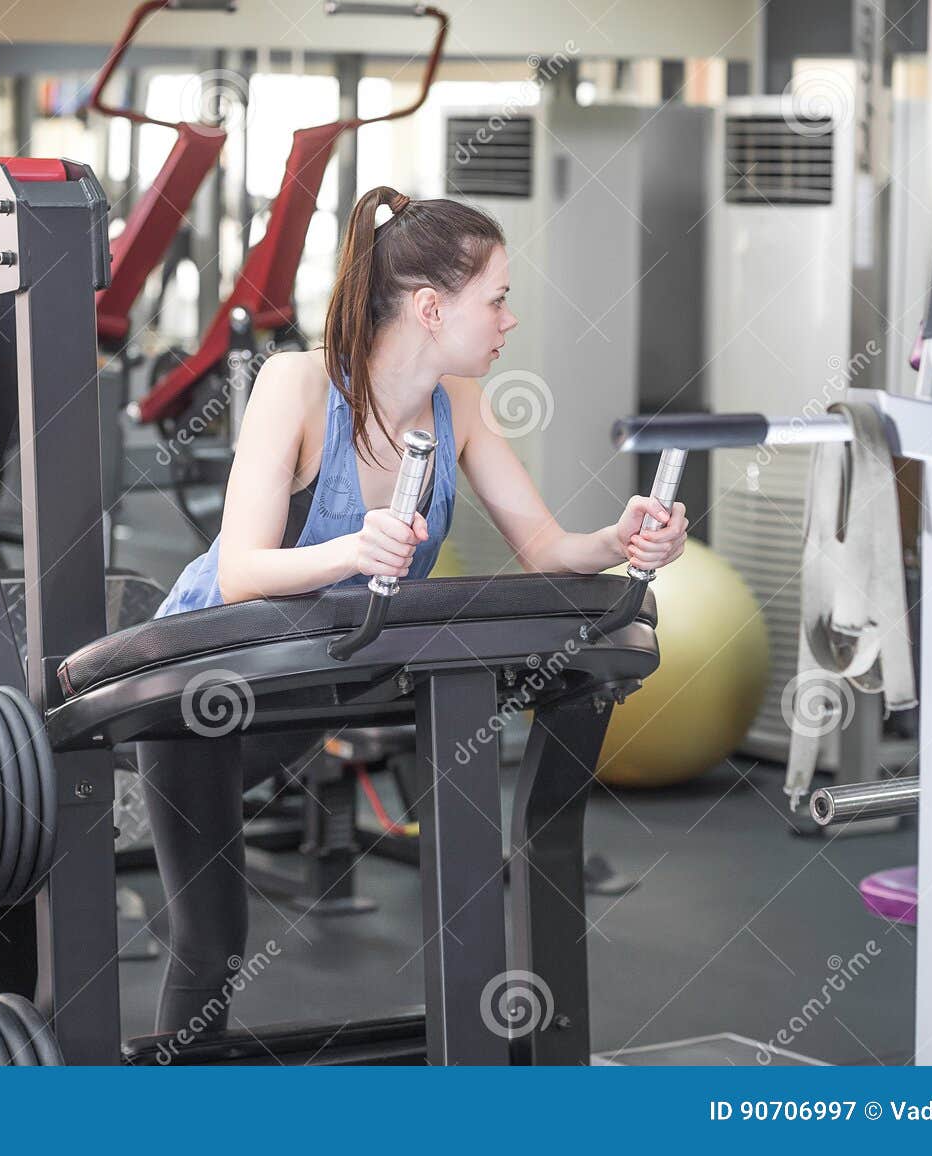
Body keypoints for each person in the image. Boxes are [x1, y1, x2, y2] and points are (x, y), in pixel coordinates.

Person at [139, 185, 689, 1036]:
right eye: (498, 300)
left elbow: (544, 547)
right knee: (213, 944)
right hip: (197, 689)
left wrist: (622, 538)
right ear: (432, 308)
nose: (510, 321)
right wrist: (356, 549)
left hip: (316, 682)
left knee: (461, 918)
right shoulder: (297, 383)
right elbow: (243, 570)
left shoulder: (457, 405)